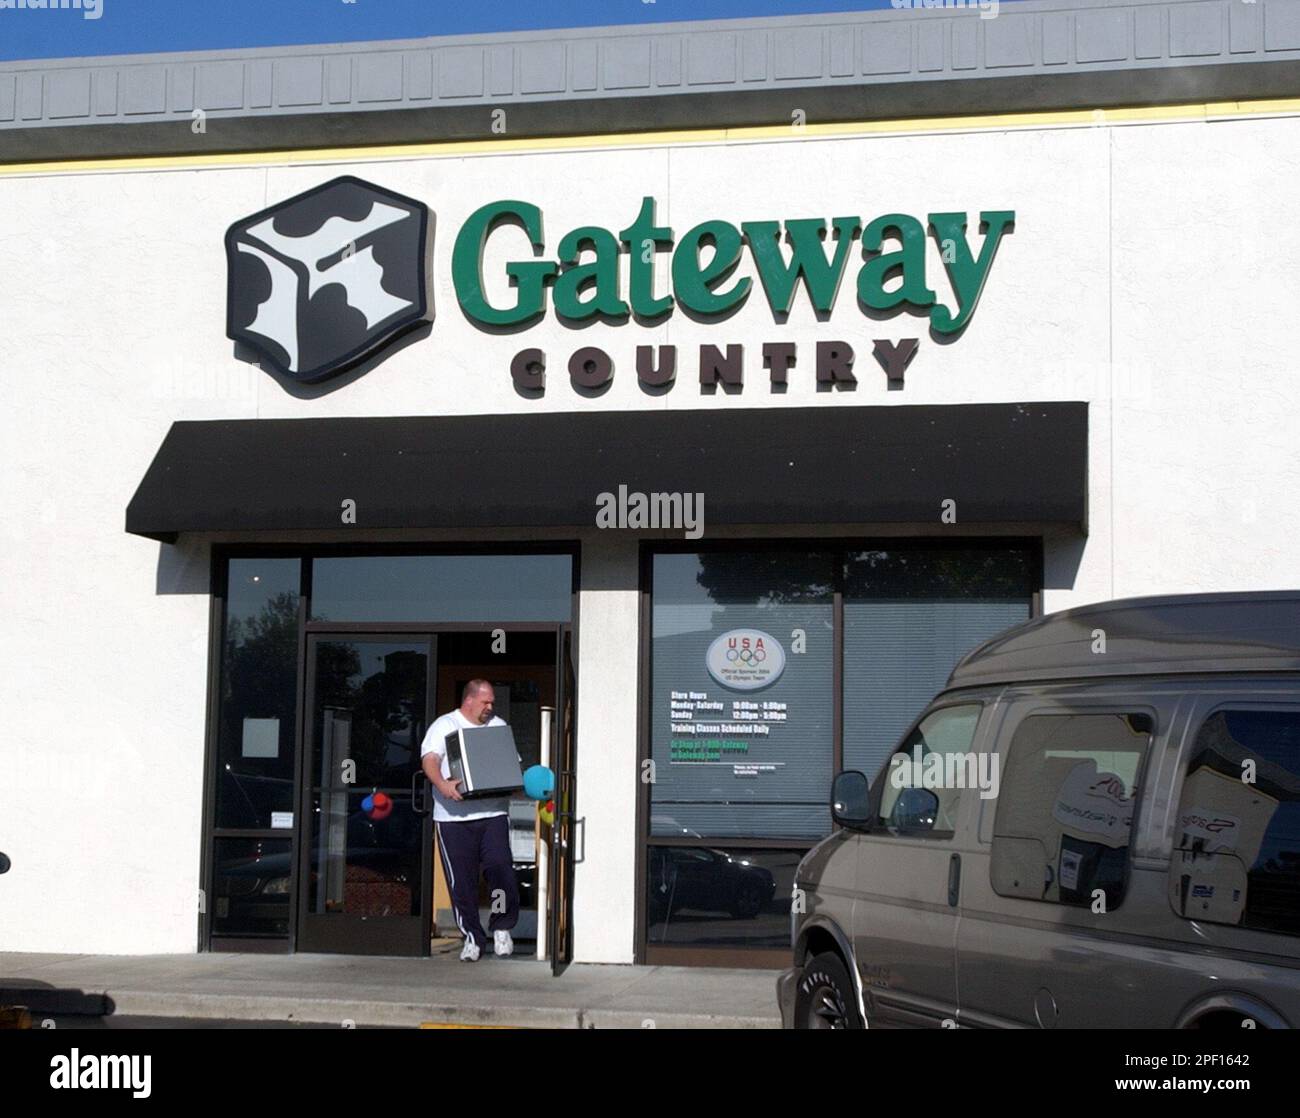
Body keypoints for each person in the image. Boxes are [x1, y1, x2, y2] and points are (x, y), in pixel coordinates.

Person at [420, 679, 520, 961]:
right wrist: (442, 784)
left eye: (492, 703)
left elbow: (511, 762)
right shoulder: (445, 725)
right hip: (452, 818)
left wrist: (516, 781)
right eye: (485, 702)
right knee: (462, 882)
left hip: (492, 814)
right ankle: (473, 938)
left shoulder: (498, 726)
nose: (490, 707)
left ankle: (502, 927)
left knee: (500, 868)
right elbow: (430, 759)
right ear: (469, 700)